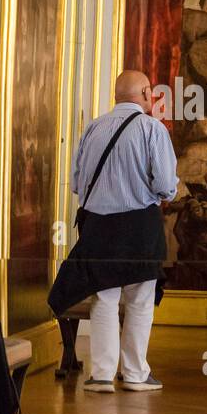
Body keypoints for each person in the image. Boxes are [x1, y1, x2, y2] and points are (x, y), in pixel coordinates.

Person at [48, 69, 178, 393]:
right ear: (147, 93)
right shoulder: (152, 129)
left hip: (99, 226)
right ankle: (135, 373)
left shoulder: (93, 128)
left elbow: (77, 183)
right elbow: (164, 185)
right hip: (139, 226)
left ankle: (102, 375)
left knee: (103, 297)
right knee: (139, 299)